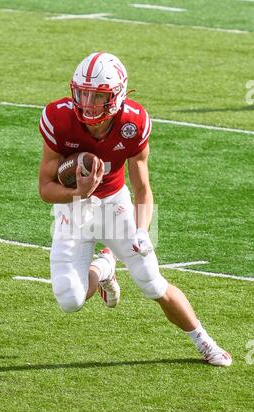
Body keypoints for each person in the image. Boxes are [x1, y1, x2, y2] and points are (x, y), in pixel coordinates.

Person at [38, 52, 232, 366]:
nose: (86, 102)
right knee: (69, 300)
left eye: (96, 96)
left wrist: (142, 231)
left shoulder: (133, 122)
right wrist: (77, 191)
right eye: (82, 93)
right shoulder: (59, 118)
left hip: (116, 205)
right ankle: (103, 268)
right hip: (73, 209)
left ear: (115, 96)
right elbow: (45, 189)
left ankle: (204, 341)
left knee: (152, 282)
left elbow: (142, 189)